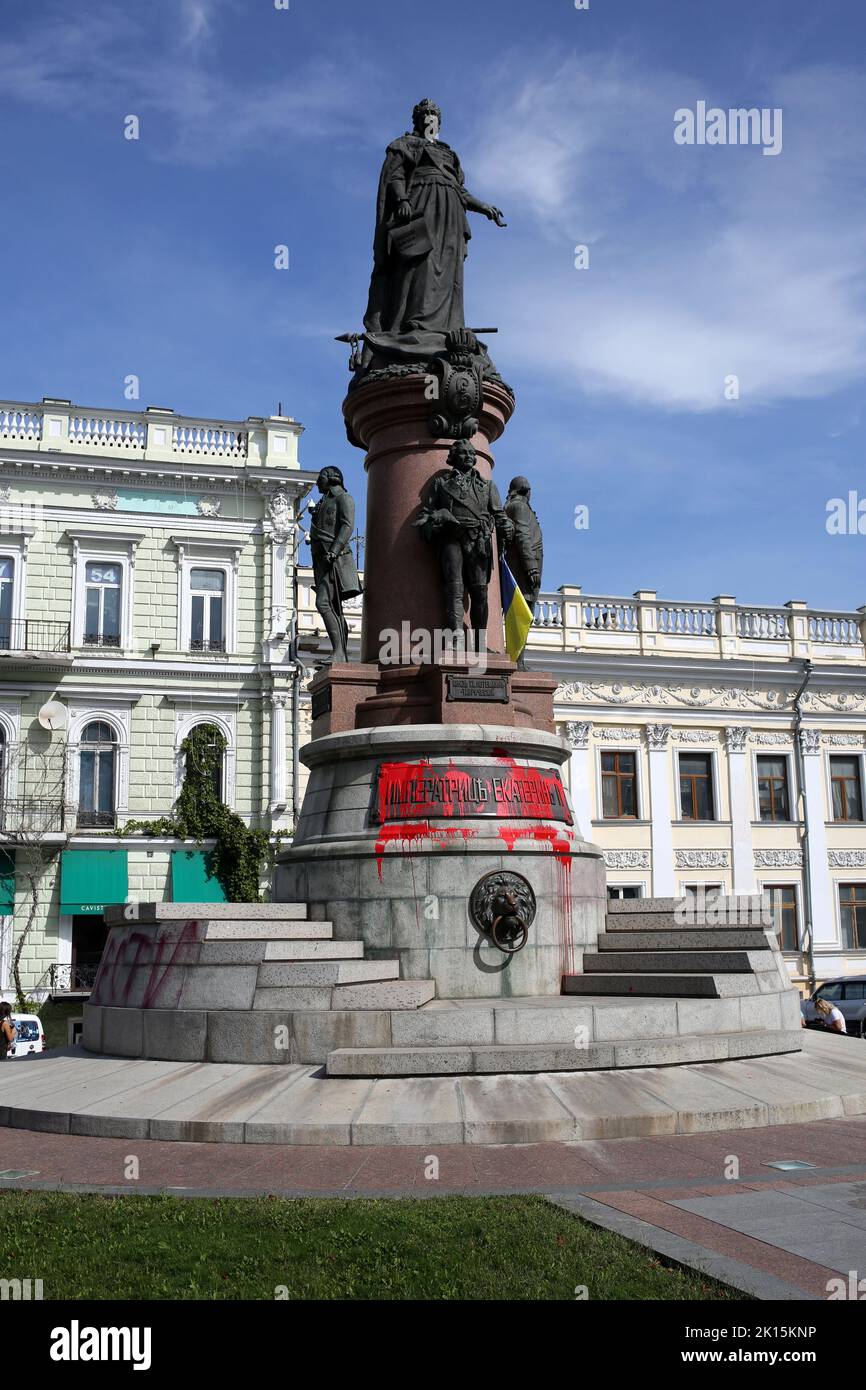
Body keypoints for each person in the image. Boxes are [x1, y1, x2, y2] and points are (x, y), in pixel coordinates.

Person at [363, 99, 505, 363]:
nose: (429, 117)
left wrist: (484, 207)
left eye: (433, 114)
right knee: (422, 265)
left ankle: (447, 327)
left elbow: (460, 191)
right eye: (425, 113)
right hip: (422, 207)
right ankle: (415, 323)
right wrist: (403, 200)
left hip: (451, 214)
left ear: (439, 121)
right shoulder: (405, 145)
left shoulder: (449, 154)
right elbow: (395, 176)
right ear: (417, 120)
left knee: (449, 269)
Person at [415, 439, 513, 646]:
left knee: (480, 592)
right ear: (453, 458)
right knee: (454, 588)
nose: (469, 456)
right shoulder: (441, 484)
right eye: (463, 453)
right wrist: (432, 521)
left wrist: (507, 526)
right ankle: (456, 639)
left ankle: (479, 642)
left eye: (471, 453)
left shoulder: (486, 486)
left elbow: (498, 513)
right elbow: (427, 512)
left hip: (478, 540)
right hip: (452, 539)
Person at [308, 467, 361, 664]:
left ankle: (339, 653)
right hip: (321, 559)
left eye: (320, 477)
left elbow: (347, 525)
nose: (317, 482)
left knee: (323, 603)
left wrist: (334, 550)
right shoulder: (324, 502)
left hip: (334, 559)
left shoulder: (343, 498)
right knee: (334, 607)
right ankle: (340, 654)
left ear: (332, 478)